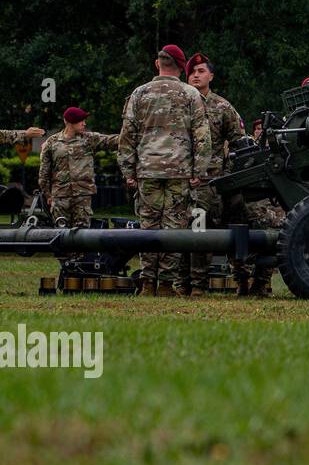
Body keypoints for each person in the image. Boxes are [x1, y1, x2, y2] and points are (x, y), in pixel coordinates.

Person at [117, 44, 211, 297]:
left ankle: (148, 283)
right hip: (180, 172)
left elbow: (127, 137)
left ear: (157, 63)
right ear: (182, 67)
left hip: (146, 170)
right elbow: (202, 136)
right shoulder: (191, 94)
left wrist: (128, 171)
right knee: (174, 229)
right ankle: (167, 284)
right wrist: (198, 170)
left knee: (148, 227)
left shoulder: (139, 94)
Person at [182, 52, 244, 296]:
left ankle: (202, 284)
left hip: (211, 184)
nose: (196, 75)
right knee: (183, 235)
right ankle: (183, 284)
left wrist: (227, 174)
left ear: (211, 75)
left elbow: (239, 141)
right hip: (182, 181)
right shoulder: (180, 104)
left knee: (203, 233)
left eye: (201, 71)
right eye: (192, 71)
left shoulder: (222, 106)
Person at [37, 107, 118, 228]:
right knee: (60, 233)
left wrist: (134, 135)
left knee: (82, 234)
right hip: (60, 197)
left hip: (82, 196)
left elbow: (111, 140)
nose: (84, 123)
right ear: (70, 122)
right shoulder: (52, 142)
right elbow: (44, 173)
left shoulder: (89, 139)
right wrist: (48, 195)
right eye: (81, 120)